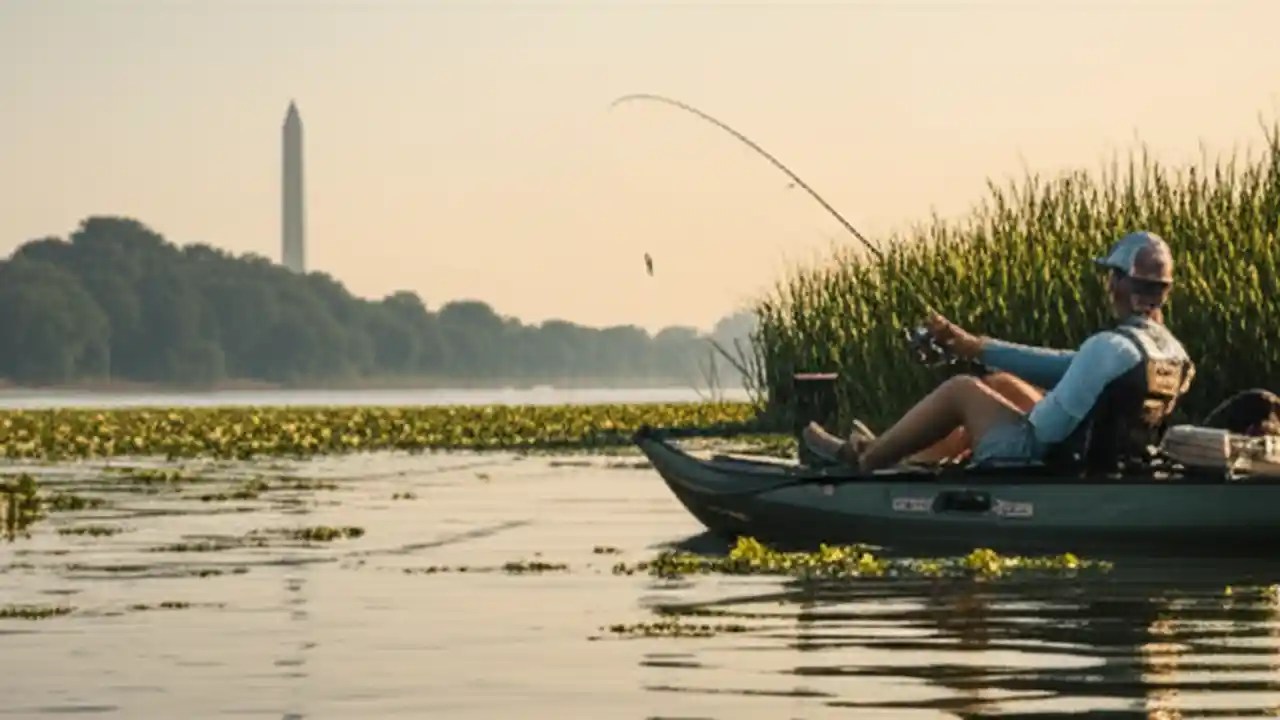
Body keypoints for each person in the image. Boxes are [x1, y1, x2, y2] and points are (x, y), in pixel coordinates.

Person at [802, 230, 1197, 472]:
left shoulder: (1107, 347)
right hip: (1102, 453)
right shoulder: (1172, 353)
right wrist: (976, 347)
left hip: (1042, 457)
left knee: (961, 389)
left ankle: (863, 462)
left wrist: (1025, 406)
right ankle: (904, 460)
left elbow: (1048, 429)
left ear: (1119, 284)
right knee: (1003, 385)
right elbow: (1069, 367)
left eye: (1111, 276)